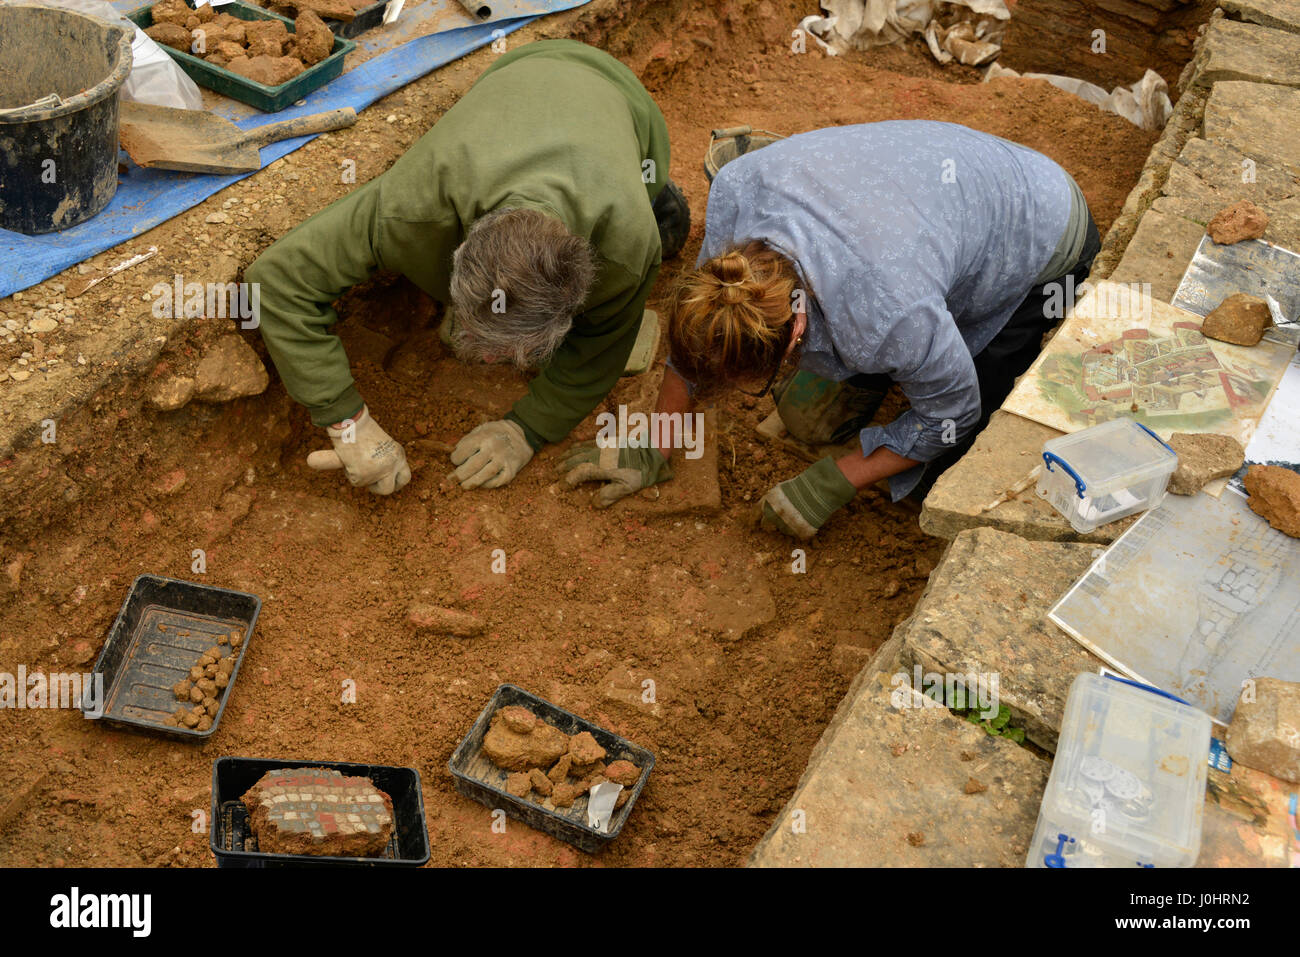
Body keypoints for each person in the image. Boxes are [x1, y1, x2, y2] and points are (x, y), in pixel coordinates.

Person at [564, 120, 1101, 538]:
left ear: (795, 336)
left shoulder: (891, 310)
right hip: (922, 212)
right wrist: (657, 440)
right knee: (810, 421)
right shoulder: (736, 197)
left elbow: (950, 415)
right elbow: (699, 342)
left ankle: (928, 362)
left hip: (1041, 235)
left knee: (945, 470)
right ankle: (911, 358)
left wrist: (836, 481)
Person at [247, 39, 689, 495]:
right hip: (522, 72)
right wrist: (347, 423)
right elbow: (275, 281)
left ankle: (662, 200)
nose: (489, 362)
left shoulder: (628, 252)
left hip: (627, 108)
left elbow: (601, 345)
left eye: (504, 352)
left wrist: (526, 429)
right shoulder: (413, 207)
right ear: (456, 255)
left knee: (660, 214)